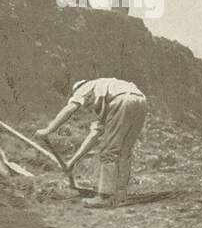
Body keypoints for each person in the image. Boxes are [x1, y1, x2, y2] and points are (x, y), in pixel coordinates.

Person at [37, 77, 148, 208]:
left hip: (121, 100)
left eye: (86, 102)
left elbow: (69, 109)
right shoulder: (105, 98)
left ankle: (104, 197)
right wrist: (72, 162)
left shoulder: (84, 87)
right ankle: (120, 194)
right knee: (124, 151)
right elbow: (93, 136)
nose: (87, 107)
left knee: (109, 152)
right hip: (140, 100)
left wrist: (47, 130)